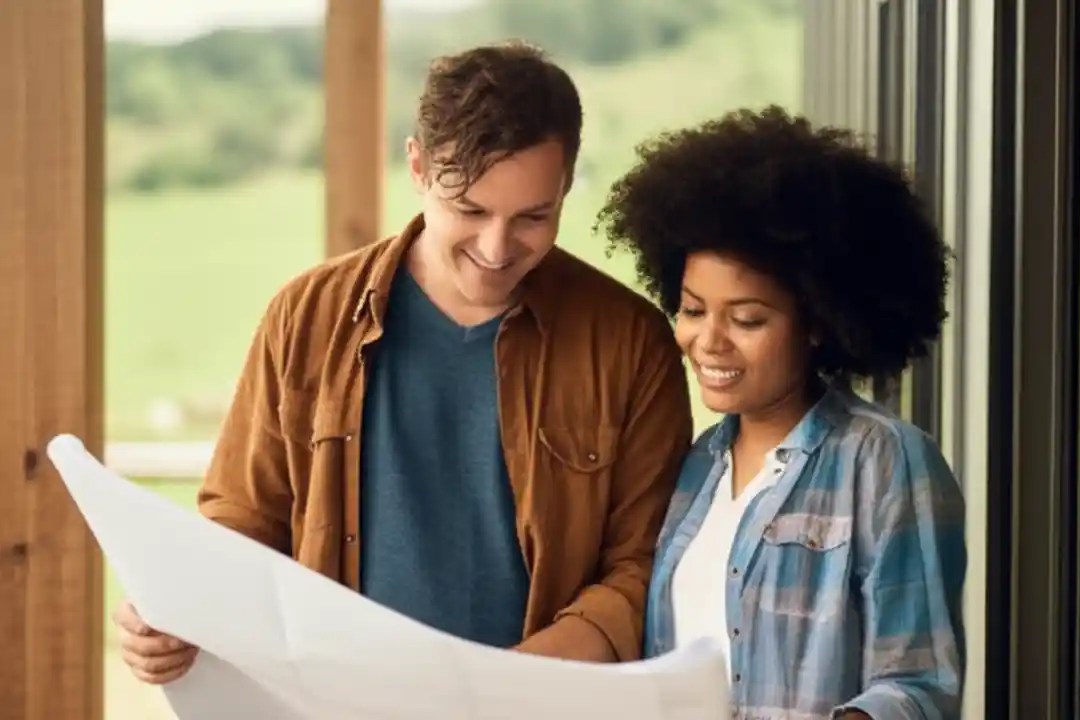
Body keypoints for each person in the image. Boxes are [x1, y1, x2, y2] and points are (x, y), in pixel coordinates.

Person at [113, 41, 693, 685]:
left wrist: (496, 691)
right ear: (417, 166)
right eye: (468, 210)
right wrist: (171, 614)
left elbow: (641, 568)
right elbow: (243, 519)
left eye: (535, 215)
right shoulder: (305, 316)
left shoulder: (630, 341)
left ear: (567, 183)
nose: (498, 248)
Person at [597, 106, 966, 718]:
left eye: (747, 319)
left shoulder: (884, 461)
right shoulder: (696, 469)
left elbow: (920, 686)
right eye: (692, 310)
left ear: (820, 321)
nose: (709, 340)